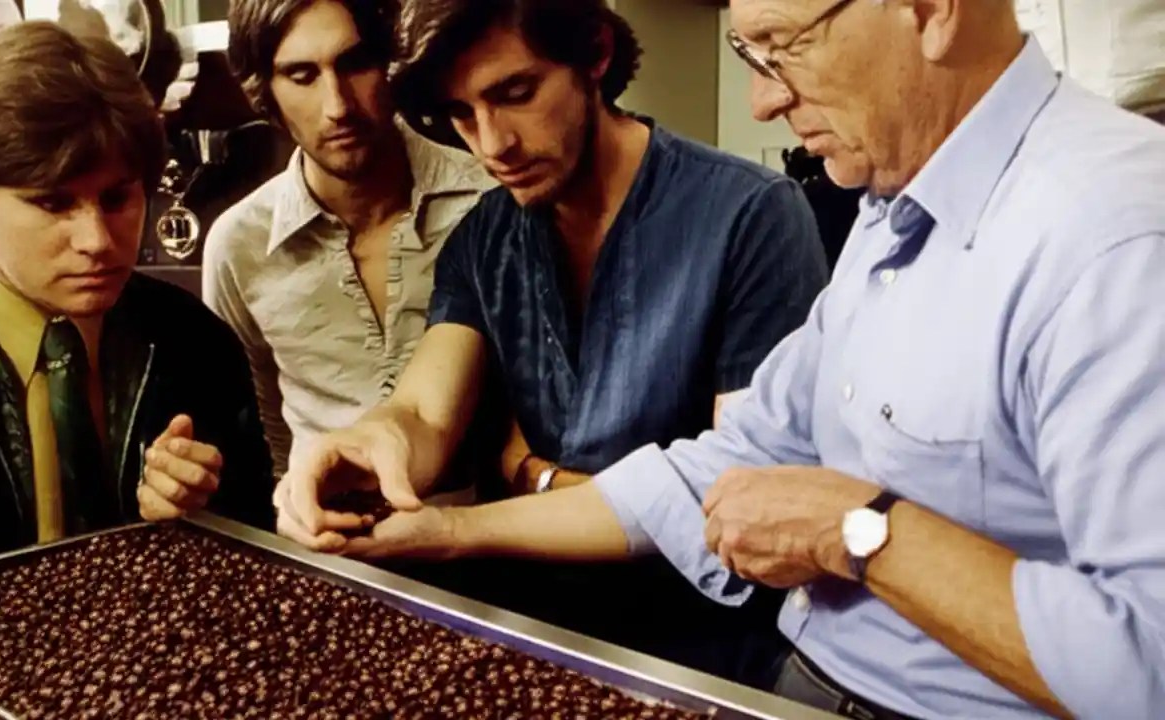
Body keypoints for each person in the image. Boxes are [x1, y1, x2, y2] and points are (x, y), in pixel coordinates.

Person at [286, 0, 1165, 717]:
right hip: (798, 679)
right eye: (749, 50)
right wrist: (442, 529)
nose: (761, 103)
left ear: (928, 10)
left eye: (781, 46)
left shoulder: (1117, 232)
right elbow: (729, 462)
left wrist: (860, 530)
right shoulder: (890, 210)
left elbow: (1147, 664)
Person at [275, 0, 828, 686]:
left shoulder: (751, 215)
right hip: (532, 633)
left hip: (700, 657)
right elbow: (424, 411)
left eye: (515, 94)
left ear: (594, 54)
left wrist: (514, 490)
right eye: (460, 113)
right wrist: (370, 444)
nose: (491, 144)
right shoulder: (487, 236)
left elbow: (740, 502)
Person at [0, 21, 275, 579]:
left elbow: (253, 553)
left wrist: (200, 520)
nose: (97, 241)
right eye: (53, 203)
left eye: (118, 197)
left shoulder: (196, 341)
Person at [203, 0, 494, 477]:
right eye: (302, 75)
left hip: (485, 528)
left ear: (389, 65)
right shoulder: (240, 244)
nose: (338, 106)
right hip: (320, 534)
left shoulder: (490, 203)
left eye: (355, 64)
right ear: (266, 93)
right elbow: (260, 428)